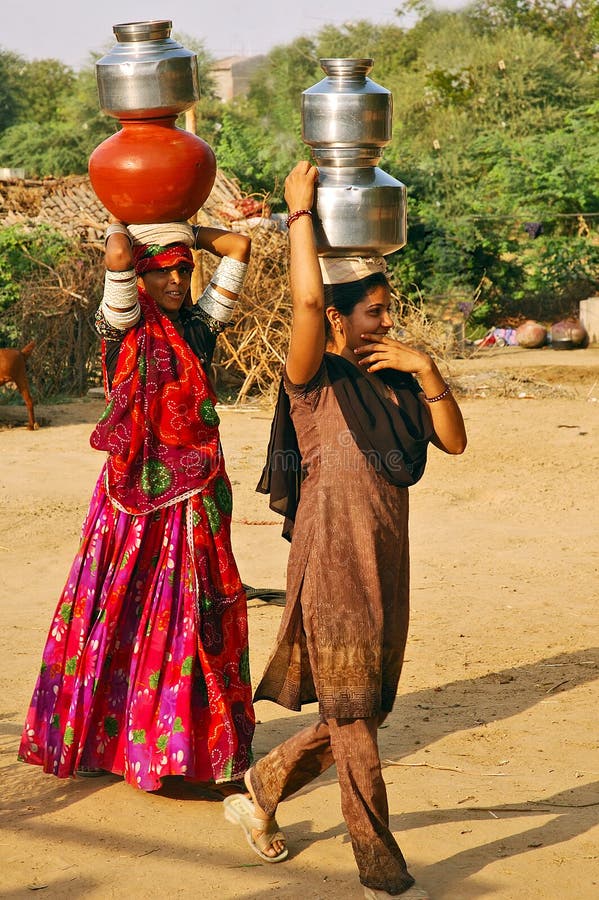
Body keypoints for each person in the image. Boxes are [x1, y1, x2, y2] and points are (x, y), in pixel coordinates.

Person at [223, 161, 467, 899]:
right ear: (336, 318)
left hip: (385, 564)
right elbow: (303, 299)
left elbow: (452, 441)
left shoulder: (396, 383)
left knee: (364, 708)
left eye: (389, 311)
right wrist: (299, 214)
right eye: (373, 313)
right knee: (355, 719)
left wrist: (425, 368)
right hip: (330, 568)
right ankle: (380, 869)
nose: (386, 322)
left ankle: (261, 787)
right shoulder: (314, 378)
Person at [18, 219, 255, 793]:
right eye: (162, 270)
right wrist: (143, 217)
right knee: (120, 607)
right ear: (141, 278)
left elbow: (239, 247)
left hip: (194, 496)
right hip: (128, 500)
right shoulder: (119, 325)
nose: (176, 280)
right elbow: (120, 251)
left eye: (182, 270)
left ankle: (184, 748)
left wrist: (187, 228)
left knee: (190, 616)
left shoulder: (198, 329)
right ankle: (114, 739)